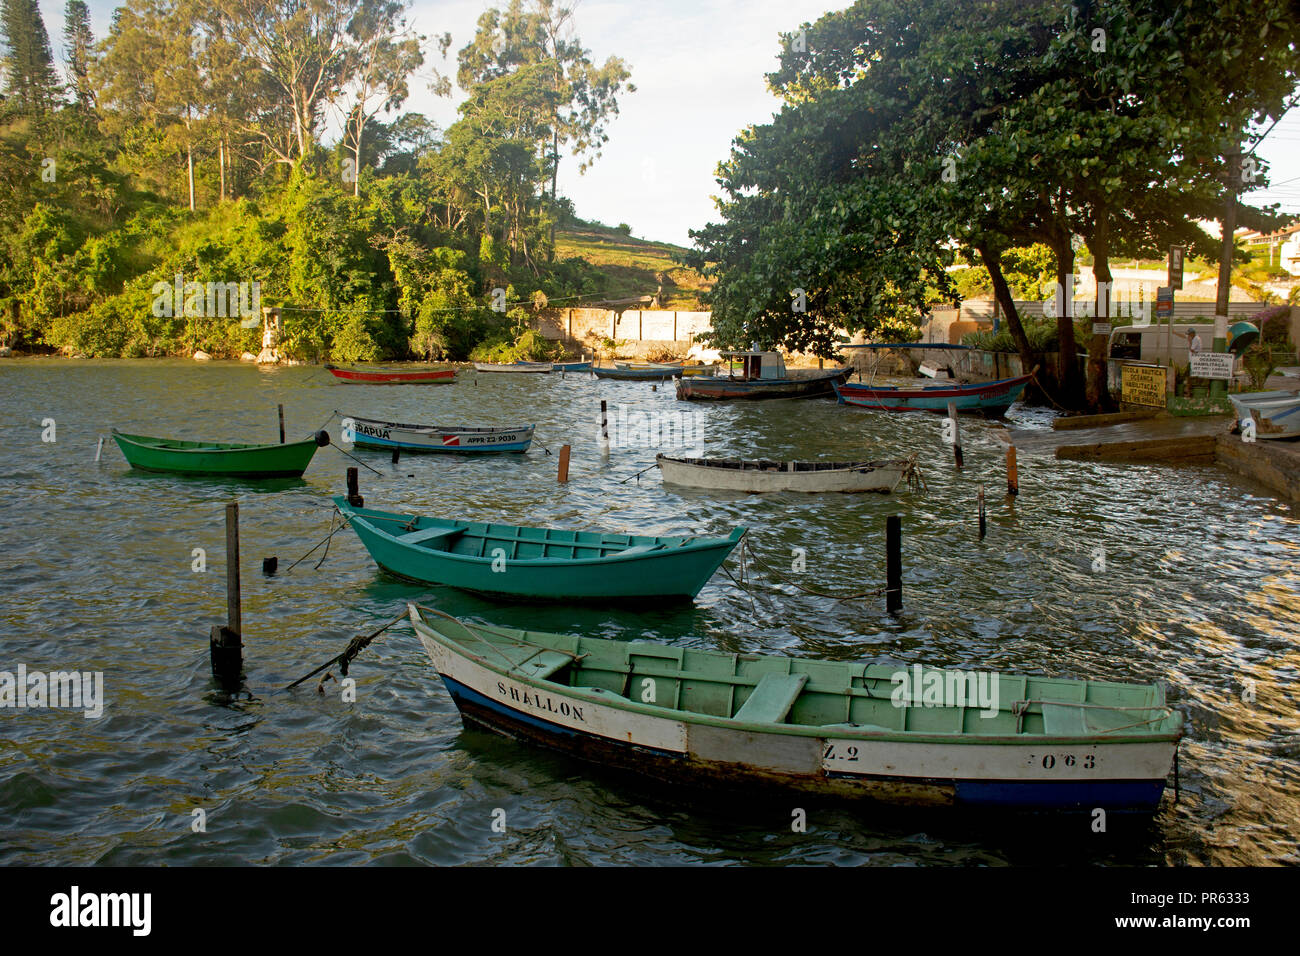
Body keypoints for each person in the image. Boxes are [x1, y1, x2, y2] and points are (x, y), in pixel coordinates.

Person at [1185, 328, 1203, 397]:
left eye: (1189, 335)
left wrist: (1189, 342)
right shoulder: (1196, 338)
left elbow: (1191, 349)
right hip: (1193, 360)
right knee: (1190, 376)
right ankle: (1190, 391)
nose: (1189, 336)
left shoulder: (1195, 339)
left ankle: (1190, 392)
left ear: (1192, 334)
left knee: (1190, 376)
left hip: (1194, 361)